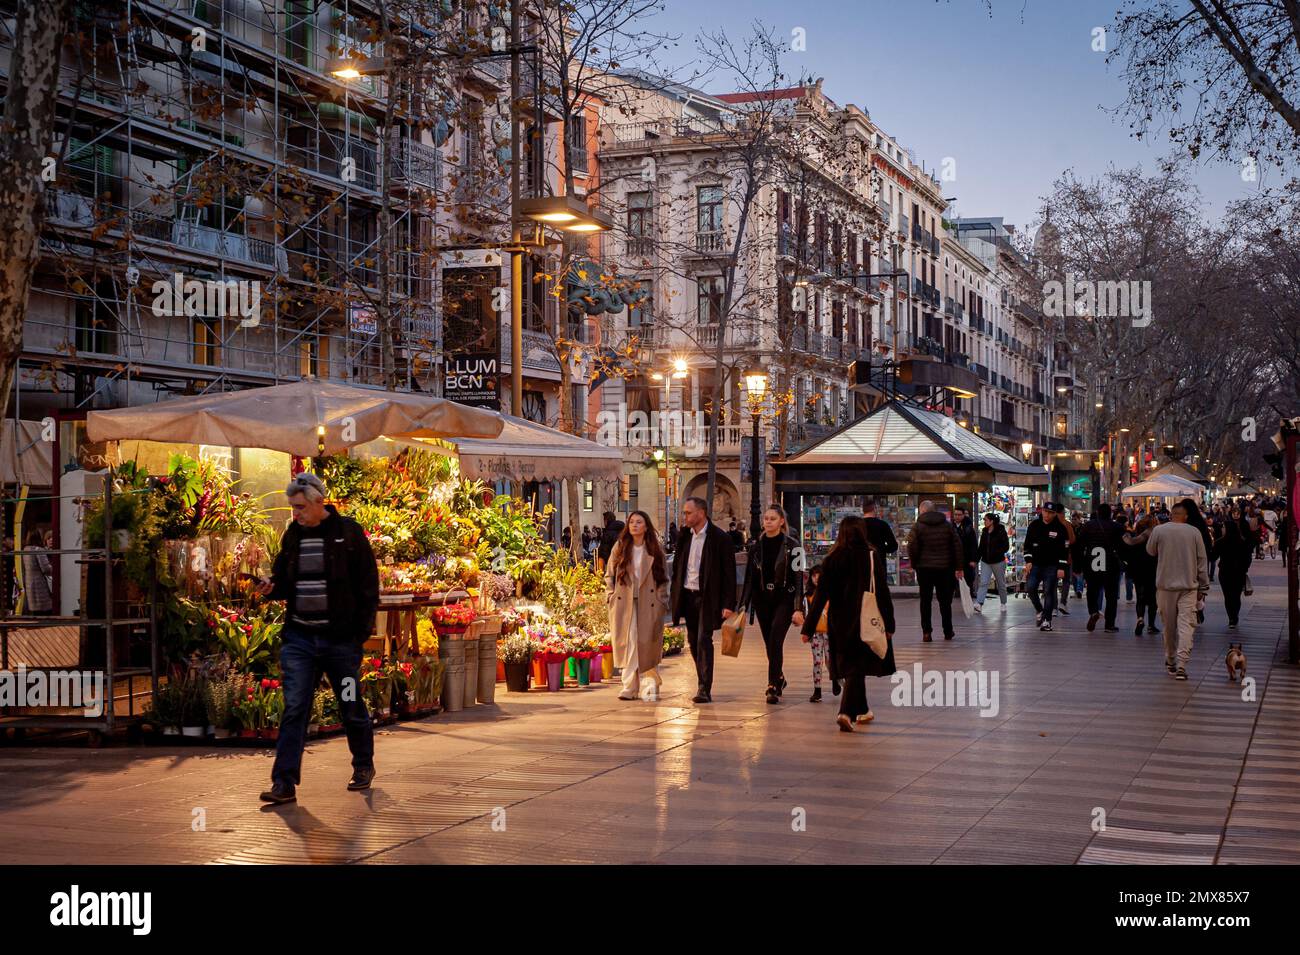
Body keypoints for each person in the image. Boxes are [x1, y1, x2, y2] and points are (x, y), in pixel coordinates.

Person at [257, 473, 378, 805]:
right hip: (300, 640)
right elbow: (283, 580)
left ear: (318, 502)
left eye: (300, 507)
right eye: (293, 508)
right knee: (295, 706)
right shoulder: (293, 536)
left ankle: (363, 764)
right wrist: (271, 587)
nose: (295, 514)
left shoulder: (348, 534)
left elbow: (369, 587)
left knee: (350, 702)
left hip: (341, 643)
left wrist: (358, 637)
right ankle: (284, 783)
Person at [800, 516, 896, 732]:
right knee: (856, 666)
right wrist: (889, 624)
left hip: (839, 620)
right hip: (865, 619)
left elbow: (821, 595)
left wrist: (808, 627)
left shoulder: (832, 559)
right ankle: (846, 712)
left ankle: (863, 709)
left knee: (853, 665)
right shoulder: (871, 556)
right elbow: (882, 592)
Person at [669, 497, 737, 703]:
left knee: (703, 639)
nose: (685, 516)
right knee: (692, 641)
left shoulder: (720, 538)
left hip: (708, 597)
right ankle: (702, 679)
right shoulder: (684, 536)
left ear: (701, 513)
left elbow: (729, 574)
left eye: (688, 513)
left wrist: (728, 604)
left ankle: (704, 688)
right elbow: (678, 566)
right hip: (688, 595)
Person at [739, 505, 804, 705]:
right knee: (769, 643)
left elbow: (799, 578)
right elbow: (750, 578)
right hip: (762, 600)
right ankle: (780, 677)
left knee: (776, 638)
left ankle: (772, 685)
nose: (767, 522)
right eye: (766, 518)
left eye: (772, 519)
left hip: (784, 597)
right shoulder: (755, 547)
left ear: (781, 521)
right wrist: (743, 604)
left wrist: (798, 607)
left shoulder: (794, 547)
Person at [605, 510, 669, 702]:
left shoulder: (655, 549)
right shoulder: (621, 547)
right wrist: (610, 595)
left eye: (639, 522)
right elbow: (609, 574)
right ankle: (629, 686)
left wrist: (661, 601)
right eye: (631, 522)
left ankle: (651, 685)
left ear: (646, 526)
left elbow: (664, 578)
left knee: (648, 643)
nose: (634, 525)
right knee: (629, 641)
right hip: (624, 602)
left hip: (649, 604)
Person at [1146, 499, 1210, 680]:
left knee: (1169, 627)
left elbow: (1150, 551)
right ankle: (1182, 664)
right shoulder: (1194, 532)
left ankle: (1171, 659)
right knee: (1186, 626)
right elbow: (1201, 560)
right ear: (1186, 516)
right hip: (1189, 587)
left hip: (1165, 586)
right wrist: (1203, 585)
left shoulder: (1159, 530)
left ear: (1171, 515)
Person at [907, 500, 963, 642]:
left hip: (924, 569)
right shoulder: (947, 526)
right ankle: (948, 631)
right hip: (944, 568)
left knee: (925, 601)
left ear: (922, 511)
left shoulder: (917, 527)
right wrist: (959, 567)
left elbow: (912, 546)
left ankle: (927, 632)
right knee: (945, 601)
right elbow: (957, 546)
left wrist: (914, 563)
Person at [1023, 501, 1070, 632]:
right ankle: (1039, 610)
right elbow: (1027, 545)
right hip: (1036, 564)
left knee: (1049, 592)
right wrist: (1028, 560)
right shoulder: (1034, 525)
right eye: (1045, 511)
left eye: (1050, 513)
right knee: (1031, 588)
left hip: (1052, 566)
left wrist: (1061, 567)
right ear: (1041, 511)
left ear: (1055, 514)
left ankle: (1047, 620)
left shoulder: (1061, 528)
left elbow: (1064, 550)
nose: (1047, 515)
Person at [1079, 503, 1125, 633]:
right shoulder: (1117, 527)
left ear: (1098, 513)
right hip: (1110, 564)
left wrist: (1079, 565)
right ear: (1110, 513)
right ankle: (1109, 624)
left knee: (1092, 591)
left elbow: (1080, 545)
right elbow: (1123, 546)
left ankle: (1093, 611)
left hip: (1092, 562)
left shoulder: (1088, 526)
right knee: (1111, 595)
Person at [1214, 503, 1253, 630]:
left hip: (1225, 571)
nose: (1222, 529)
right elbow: (1248, 556)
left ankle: (1231, 617)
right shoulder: (1242, 542)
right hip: (1239, 571)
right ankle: (1234, 616)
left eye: (1224, 527)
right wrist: (1245, 568)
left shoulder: (1220, 542)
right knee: (1236, 595)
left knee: (1228, 596)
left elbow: (1212, 556)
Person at [800, 564, 834, 701]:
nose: (816, 578)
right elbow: (806, 613)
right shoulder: (808, 596)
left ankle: (835, 681)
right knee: (817, 662)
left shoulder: (830, 593)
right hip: (815, 634)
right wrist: (806, 631)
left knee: (830, 660)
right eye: (814, 575)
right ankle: (817, 690)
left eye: (819, 575)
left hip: (829, 633)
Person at [1122, 514, 1160, 635]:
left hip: (1138, 569)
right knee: (1153, 599)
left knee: (1140, 596)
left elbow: (1130, 544)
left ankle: (1140, 619)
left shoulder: (1138, 537)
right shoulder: (1155, 535)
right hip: (1153, 569)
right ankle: (1151, 625)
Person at [973, 512, 1010, 613]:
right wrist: (976, 560)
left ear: (991, 521)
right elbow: (981, 548)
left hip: (998, 562)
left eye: (985, 520)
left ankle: (1003, 603)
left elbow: (1006, 546)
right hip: (986, 561)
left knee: (1001, 583)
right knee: (984, 582)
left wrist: (996, 552)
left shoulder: (1001, 531)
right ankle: (979, 604)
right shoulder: (984, 532)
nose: (984, 521)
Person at [20, 529, 53, 615]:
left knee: (35, 610)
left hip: (29, 582)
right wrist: (55, 568)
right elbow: (46, 569)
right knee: (44, 610)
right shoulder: (39, 549)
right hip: (40, 583)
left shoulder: (25, 550)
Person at [953, 506, 979, 593]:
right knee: (955, 579)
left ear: (963, 515)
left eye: (959, 515)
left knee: (968, 579)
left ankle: (969, 594)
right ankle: (957, 593)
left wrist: (973, 560)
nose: (957, 516)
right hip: (955, 558)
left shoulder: (968, 527)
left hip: (967, 558)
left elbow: (973, 545)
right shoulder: (950, 526)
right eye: (955, 514)